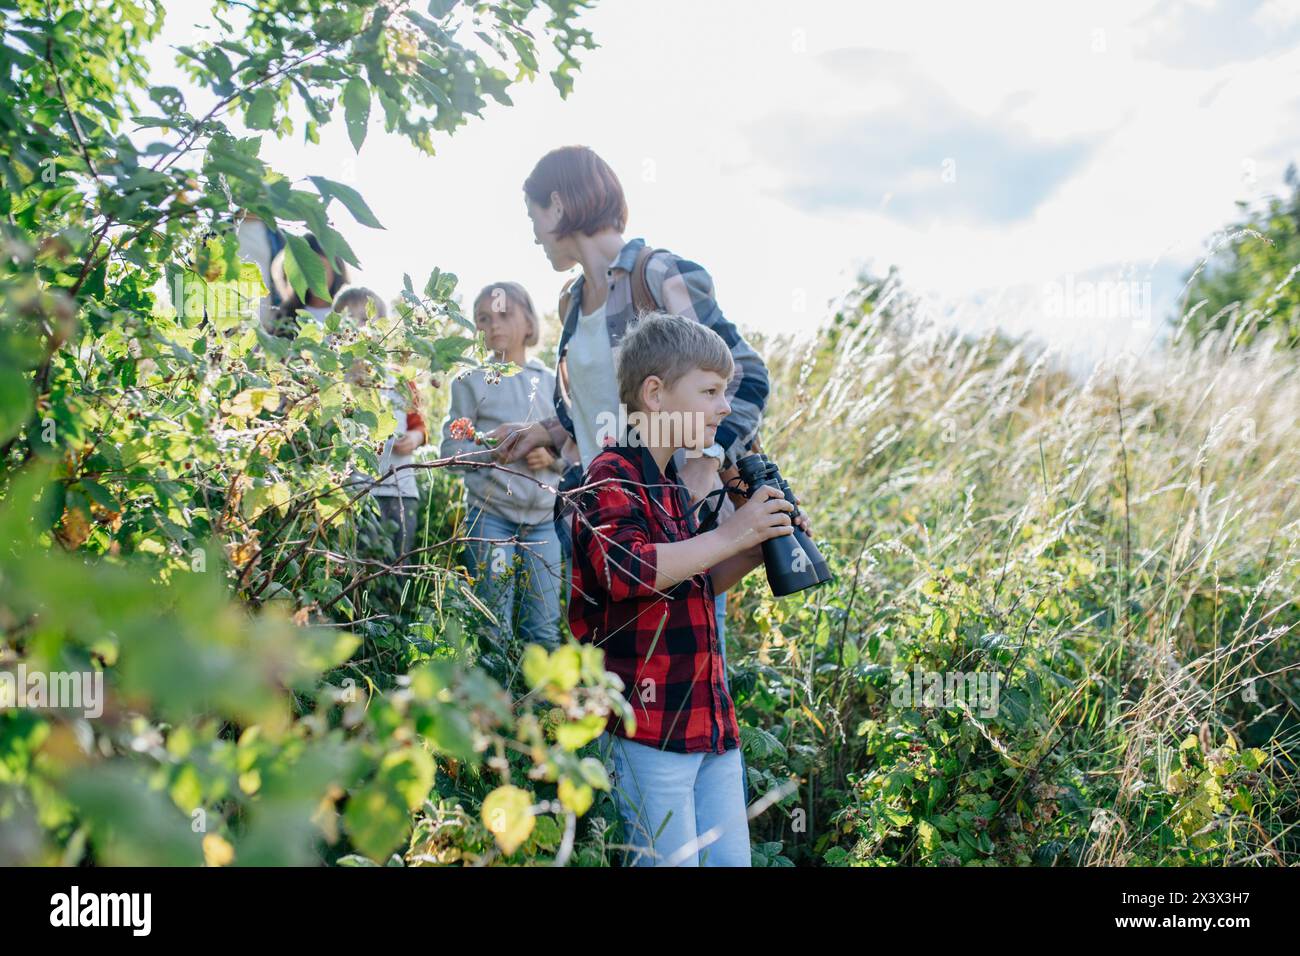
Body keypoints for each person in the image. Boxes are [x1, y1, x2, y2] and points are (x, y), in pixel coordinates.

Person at [488, 144, 776, 672]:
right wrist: (548, 431)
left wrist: (703, 463)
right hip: (605, 521)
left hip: (675, 520)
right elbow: (606, 407)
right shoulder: (571, 301)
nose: (532, 233)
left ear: (556, 205)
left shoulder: (659, 273)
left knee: (683, 686)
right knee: (609, 689)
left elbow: (747, 375)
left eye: (533, 216)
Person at [569, 313, 799, 866]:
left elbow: (689, 582)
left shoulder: (674, 485)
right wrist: (731, 533)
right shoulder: (610, 474)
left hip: (708, 721)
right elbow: (627, 571)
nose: (725, 407)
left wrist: (752, 544)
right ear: (655, 393)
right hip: (649, 730)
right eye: (711, 391)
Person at [440, 282, 570, 650]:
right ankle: (492, 703)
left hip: (543, 522)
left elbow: (575, 450)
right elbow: (450, 449)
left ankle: (541, 706)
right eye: (483, 318)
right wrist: (490, 452)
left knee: (542, 628)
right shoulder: (469, 381)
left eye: (504, 314)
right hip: (492, 518)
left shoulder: (550, 383)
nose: (493, 325)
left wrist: (553, 459)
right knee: (492, 622)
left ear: (529, 323)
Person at [335, 287, 426, 562]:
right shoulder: (338, 381)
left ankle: (397, 605)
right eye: (351, 321)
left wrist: (414, 438)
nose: (361, 328)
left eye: (368, 320)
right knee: (359, 562)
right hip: (357, 490)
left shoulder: (399, 379)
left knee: (398, 561)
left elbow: (419, 425)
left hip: (401, 489)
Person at [268, 232, 349, 337]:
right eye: (305, 268)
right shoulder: (286, 316)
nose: (312, 275)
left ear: (336, 268)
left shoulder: (351, 313)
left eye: (320, 267)